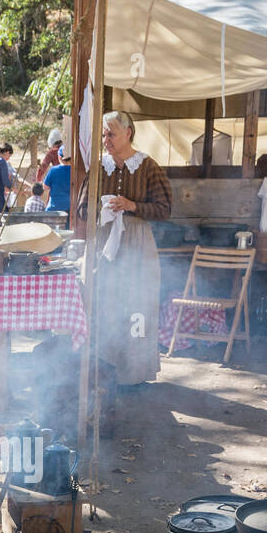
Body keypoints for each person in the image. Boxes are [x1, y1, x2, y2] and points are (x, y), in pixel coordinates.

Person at [76, 110, 171, 387]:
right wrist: (100, 210)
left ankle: (134, 373)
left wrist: (132, 206)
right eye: (104, 134)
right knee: (102, 303)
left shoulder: (148, 167)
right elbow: (82, 209)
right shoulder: (98, 167)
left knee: (136, 305)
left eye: (111, 134)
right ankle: (101, 372)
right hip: (103, 244)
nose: (106, 139)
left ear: (128, 133)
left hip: (137, 244)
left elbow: (164, 209)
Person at [43, 144, 71, 214]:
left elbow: (45, 187)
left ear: (59, 157)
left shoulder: (53, 170)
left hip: (54, 208)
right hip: (70, 208)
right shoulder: (75, 171)